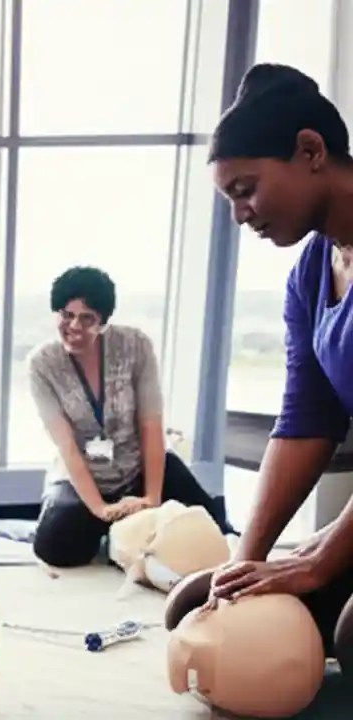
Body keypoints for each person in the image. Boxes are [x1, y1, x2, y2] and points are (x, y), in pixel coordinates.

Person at [165, 63, 353, 666]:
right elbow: (307, 421)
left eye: (245, 189)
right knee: (194, 604)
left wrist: (325, 556)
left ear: (310, 151)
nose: (240, 214)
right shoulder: (310, 274)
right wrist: (244, 562)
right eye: (229, 199)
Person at [28, 266, 234, 568]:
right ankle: (116, 531)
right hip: (82, 475)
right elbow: (66, 444)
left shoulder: (135, 346)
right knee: (54, 549)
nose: (74, 326)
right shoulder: (42, 364)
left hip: (137, 466)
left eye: (88, 318)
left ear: (103, 321)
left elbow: (150, 425)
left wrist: (151, 498)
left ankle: (131, 523)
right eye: (66, 314)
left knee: (212, 531)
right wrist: (100, 508)